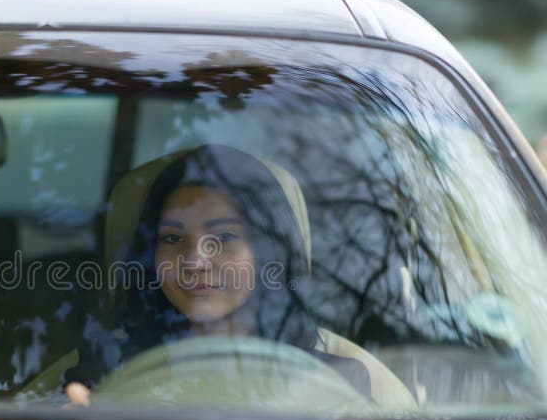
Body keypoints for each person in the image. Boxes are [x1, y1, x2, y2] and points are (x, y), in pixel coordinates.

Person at [64, 144, 371, 403]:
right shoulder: (103, 374)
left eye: (224, 238)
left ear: (267, 254)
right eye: (172, 238)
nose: (195, 261)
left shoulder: (336, 383)